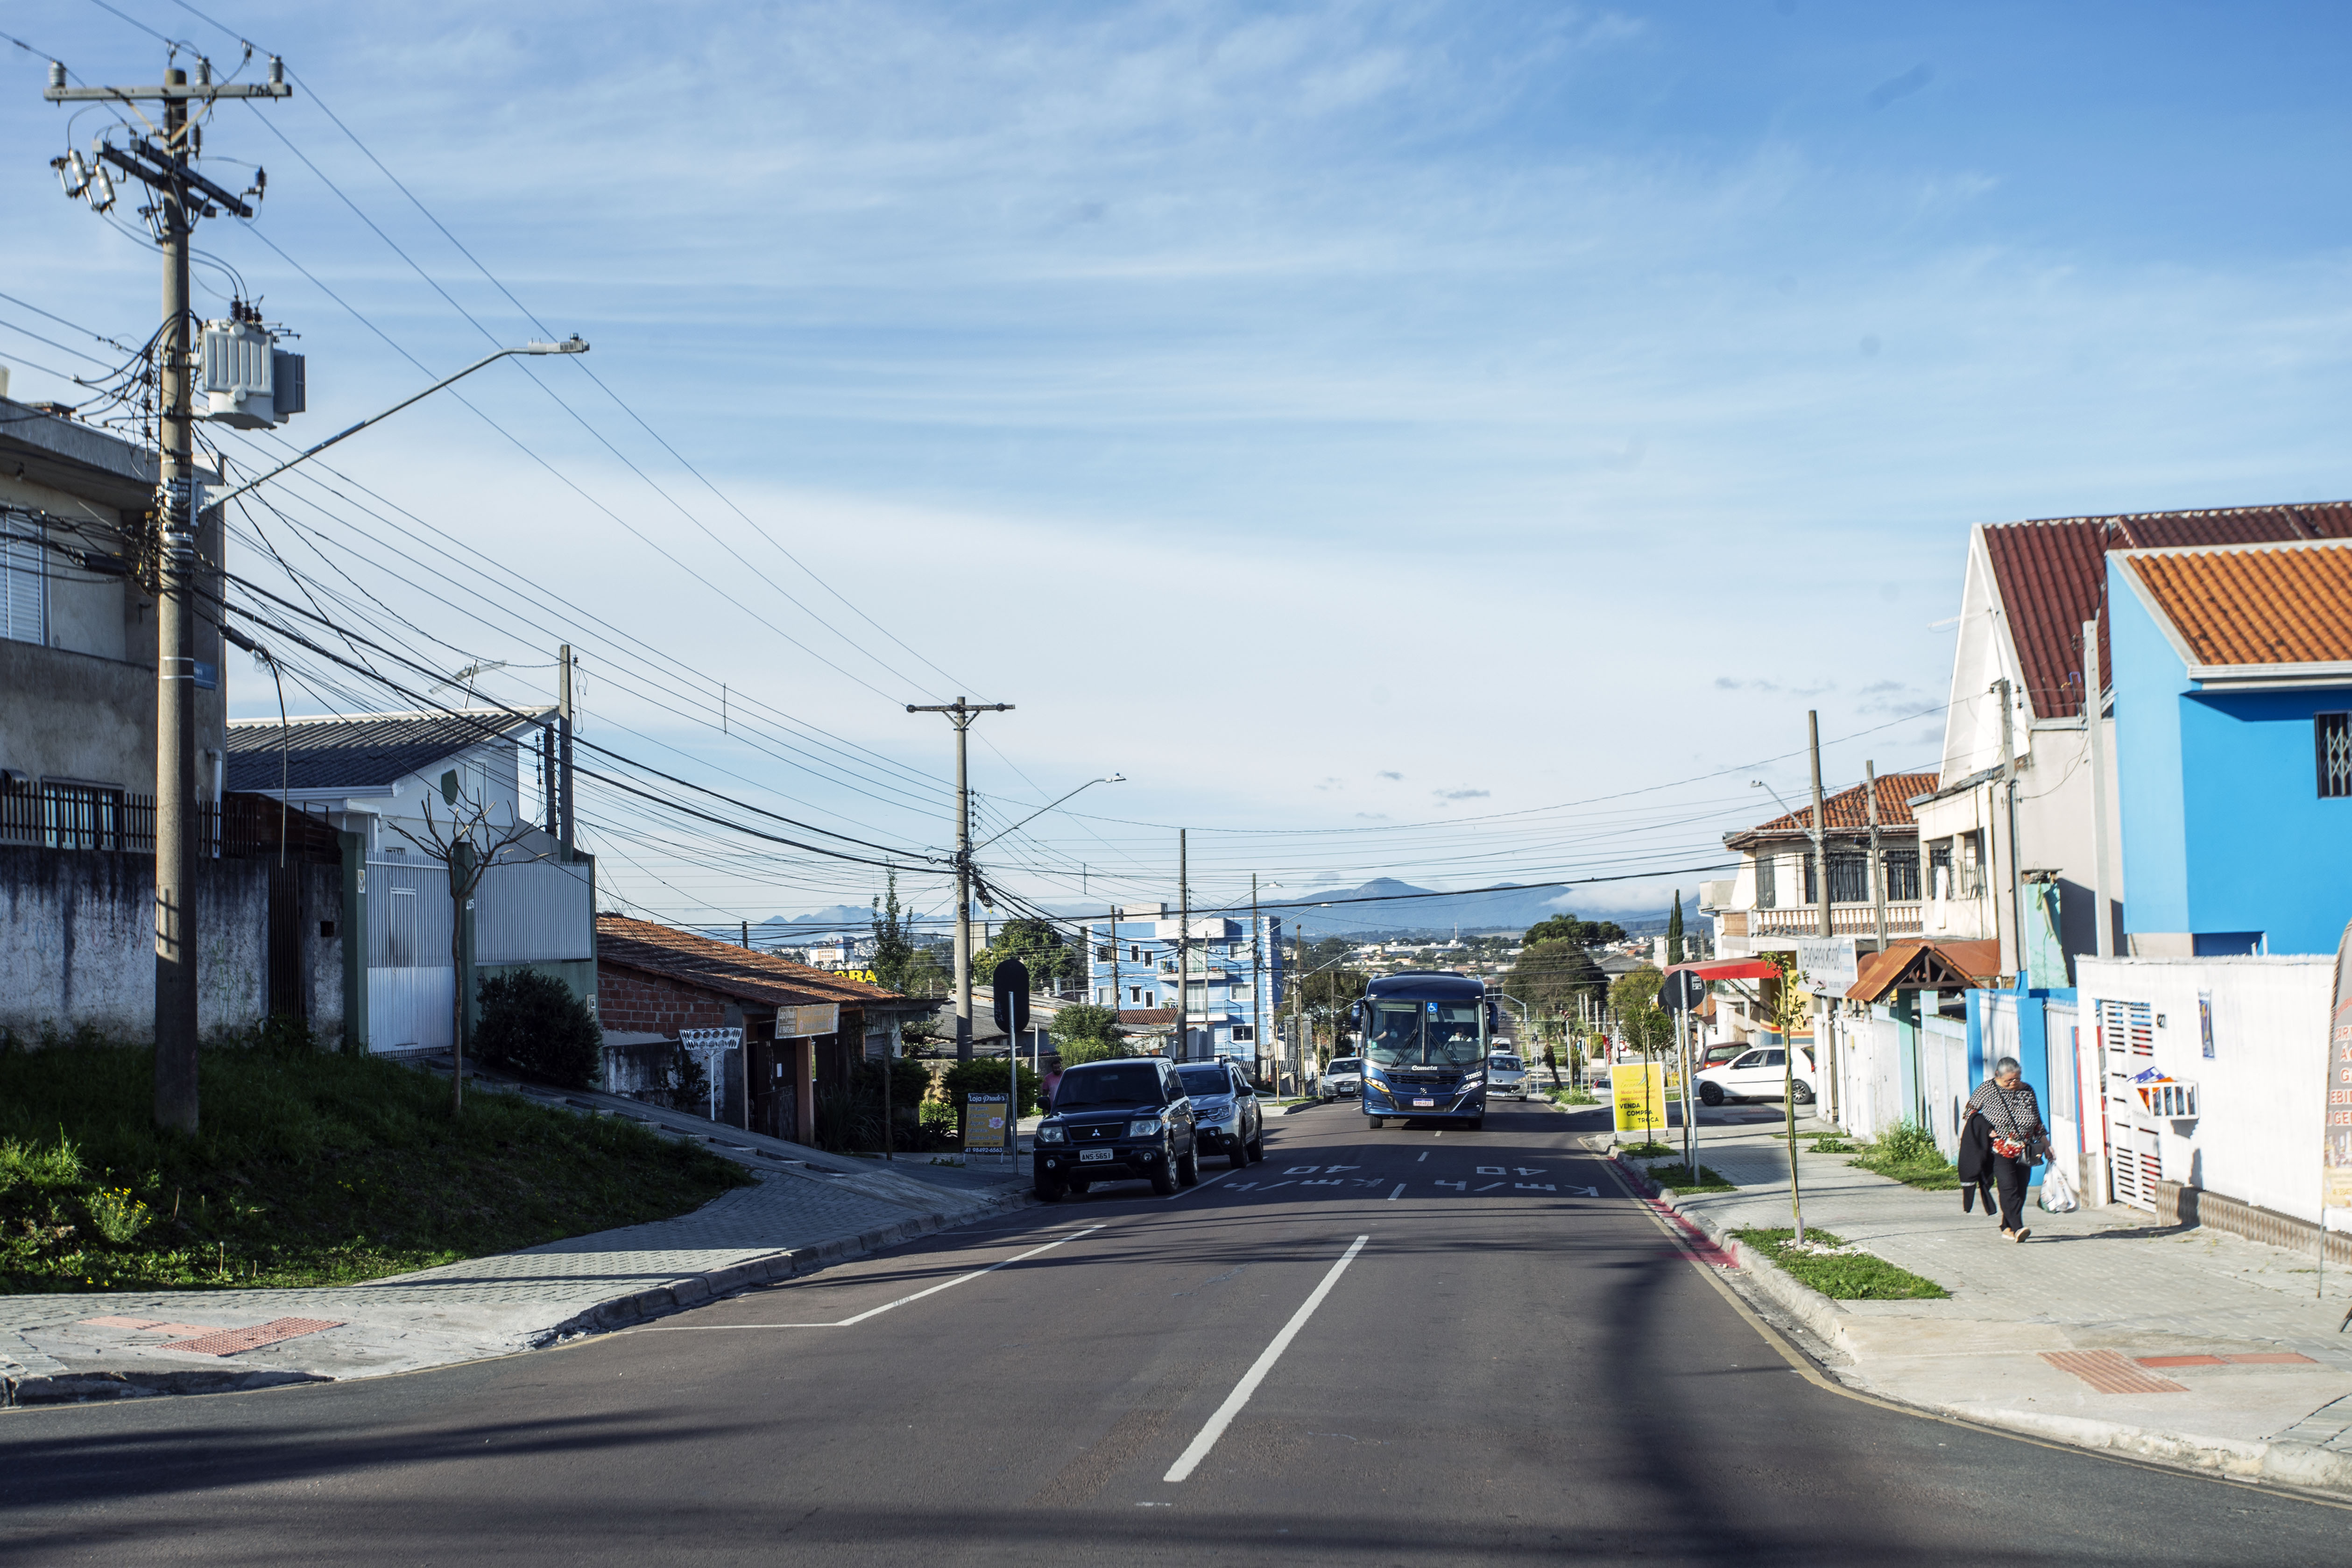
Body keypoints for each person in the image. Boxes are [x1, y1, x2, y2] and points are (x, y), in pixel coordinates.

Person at [1963, 1057, 2045, 1241]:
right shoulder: (1987, 1089)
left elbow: (2038, 1121)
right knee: (2009, 1188)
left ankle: (2007, 1226)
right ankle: (2018, 1228)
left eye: (2017, 1078)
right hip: (2000, 1149)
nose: (2014, 1083)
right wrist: (1986, 1129)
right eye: (2009, 1080)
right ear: (1997, 1075)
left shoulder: (2027, 1090)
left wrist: (2047, 1146)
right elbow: (1969, 1112)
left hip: (2025, 1149)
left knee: (2021, 1190)